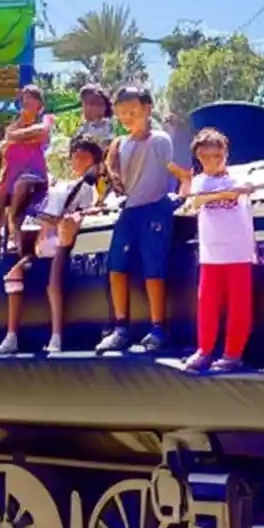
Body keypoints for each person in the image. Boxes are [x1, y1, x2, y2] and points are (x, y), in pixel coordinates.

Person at [94, 86, 190, 354]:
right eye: (122, 113)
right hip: (130, 209)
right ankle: (121, 327)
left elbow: (177, 170)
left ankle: (159, 327)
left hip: (155, 207)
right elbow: (113, 174)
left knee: (153, 268)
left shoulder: (160, 140)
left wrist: (183, 192)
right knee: (116, 268)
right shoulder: (120, 144)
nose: (127, 117)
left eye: (133, 112)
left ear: (147, 109)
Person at [0, 139, 103, 357]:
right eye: (75, 156)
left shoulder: (87, 187)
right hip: (43, 243)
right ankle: (11, 337)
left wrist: (50, 219)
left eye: (83, 157)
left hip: (64, 244)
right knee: (13, 275)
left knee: (53, 284)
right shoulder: (62, 186)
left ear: (94, 162)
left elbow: (78, 215)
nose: (77, 160)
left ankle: (56, 337)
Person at [180, 128, 258, 373]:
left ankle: (233, 354)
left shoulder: (238, 177)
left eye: (218, 155)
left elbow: (247, 187)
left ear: (225, 154)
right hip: (211, 254)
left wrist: (236, 190)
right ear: (199, 157)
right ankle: (204, 350)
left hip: (238, 252)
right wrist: (219, 194)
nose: (213, 161)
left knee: (238, 305)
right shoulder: (200, 181)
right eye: (206, 156)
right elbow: (193, 201)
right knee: (207, 304)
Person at [0, 85, 51, 268]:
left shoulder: (45, 122)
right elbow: (9, 138)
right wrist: (21, 135)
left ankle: (13, 233)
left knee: (21, 186)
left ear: (39, 104)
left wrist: (16, 137)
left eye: (31, 98)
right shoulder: (13, 126)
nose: (26, 102)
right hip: (11, 179)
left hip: (34, 177)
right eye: (24, 98)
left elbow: (40, 134)